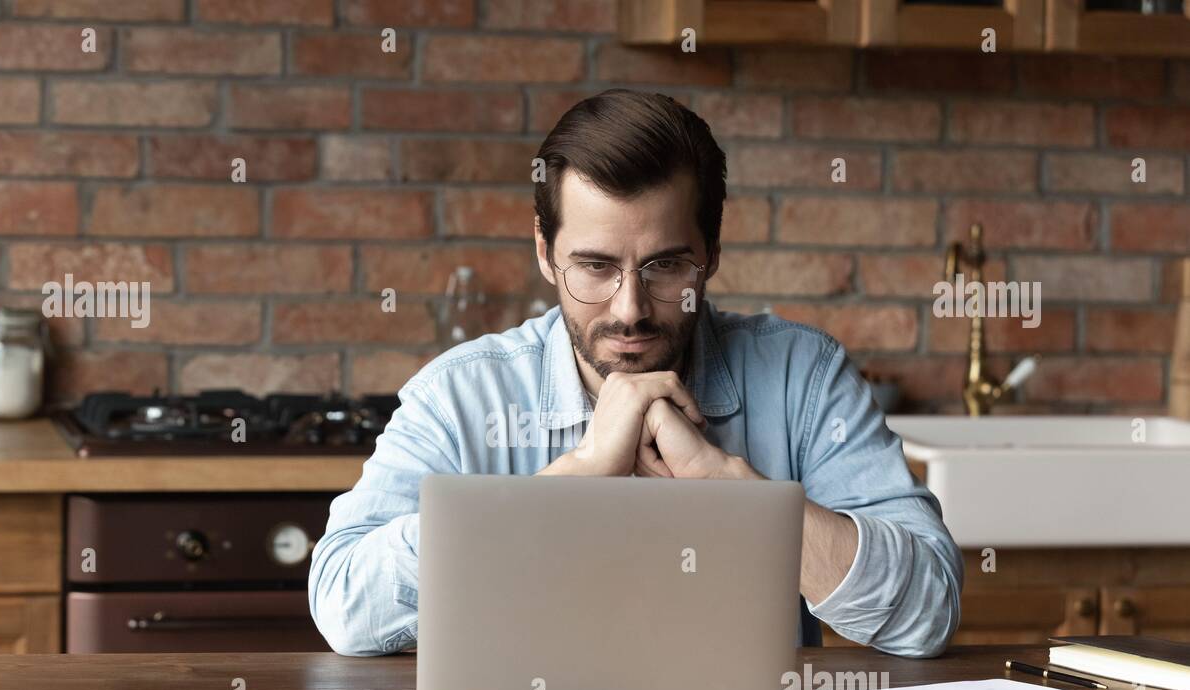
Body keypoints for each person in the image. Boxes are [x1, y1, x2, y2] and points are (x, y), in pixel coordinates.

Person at [310, 88, 961, 659]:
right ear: (545, 254)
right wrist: (569, 482)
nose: (629, 310)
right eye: (594, 267)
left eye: (664, 267)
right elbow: (345, 606)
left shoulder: (803, 377)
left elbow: (928, 615)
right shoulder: (460, 394)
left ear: (710, 255)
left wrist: (736, 491)